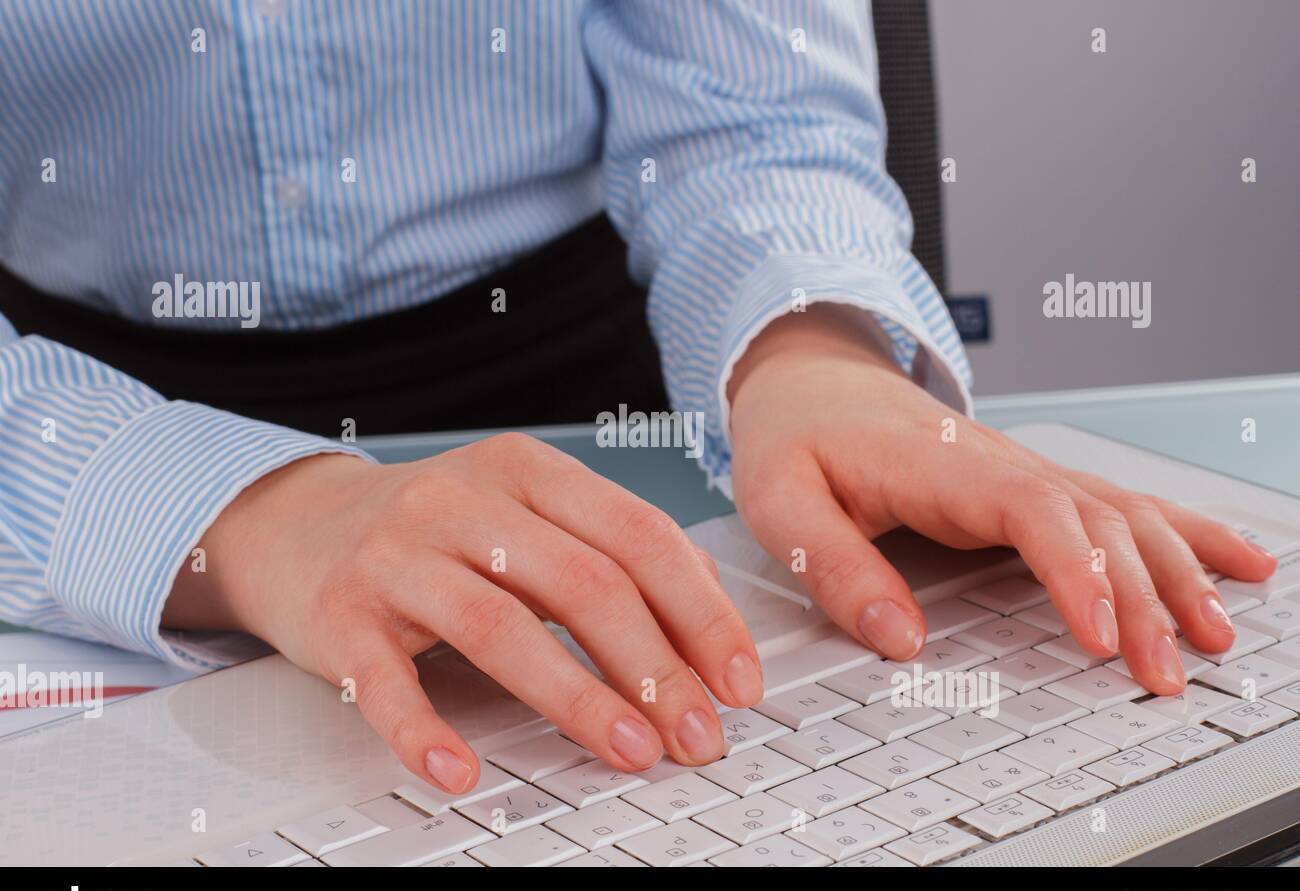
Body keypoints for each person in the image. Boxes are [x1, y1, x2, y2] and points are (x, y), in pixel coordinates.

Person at [0, 1, 1273, 795]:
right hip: (75, 438)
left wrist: (807, 356)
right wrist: (255, 515)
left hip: (617, 392)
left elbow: (745, 115)